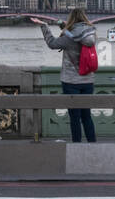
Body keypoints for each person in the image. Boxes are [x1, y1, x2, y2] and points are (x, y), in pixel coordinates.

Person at [39, 8, 98, 143]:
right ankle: (92, 144)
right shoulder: (91, 33)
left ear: (71, 19)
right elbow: (75, 33)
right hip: (88, 80)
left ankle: (76, 145)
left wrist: (44, 26)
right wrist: (63, 26)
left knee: (74, 117)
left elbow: (52, 43)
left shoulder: (68, 38)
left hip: (71, 81)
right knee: (87, 116)